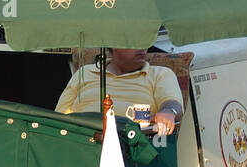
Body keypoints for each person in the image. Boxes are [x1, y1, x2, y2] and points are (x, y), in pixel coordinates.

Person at [55, 47, 184, 135]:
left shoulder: (160, 74)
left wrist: (168, 112)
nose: (142, 47)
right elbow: (59, 118)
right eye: (133, 40)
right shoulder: (84, 72)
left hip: (133, 147)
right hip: (83, 142)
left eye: (144, 40)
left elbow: (173, 103)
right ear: (114, 45)